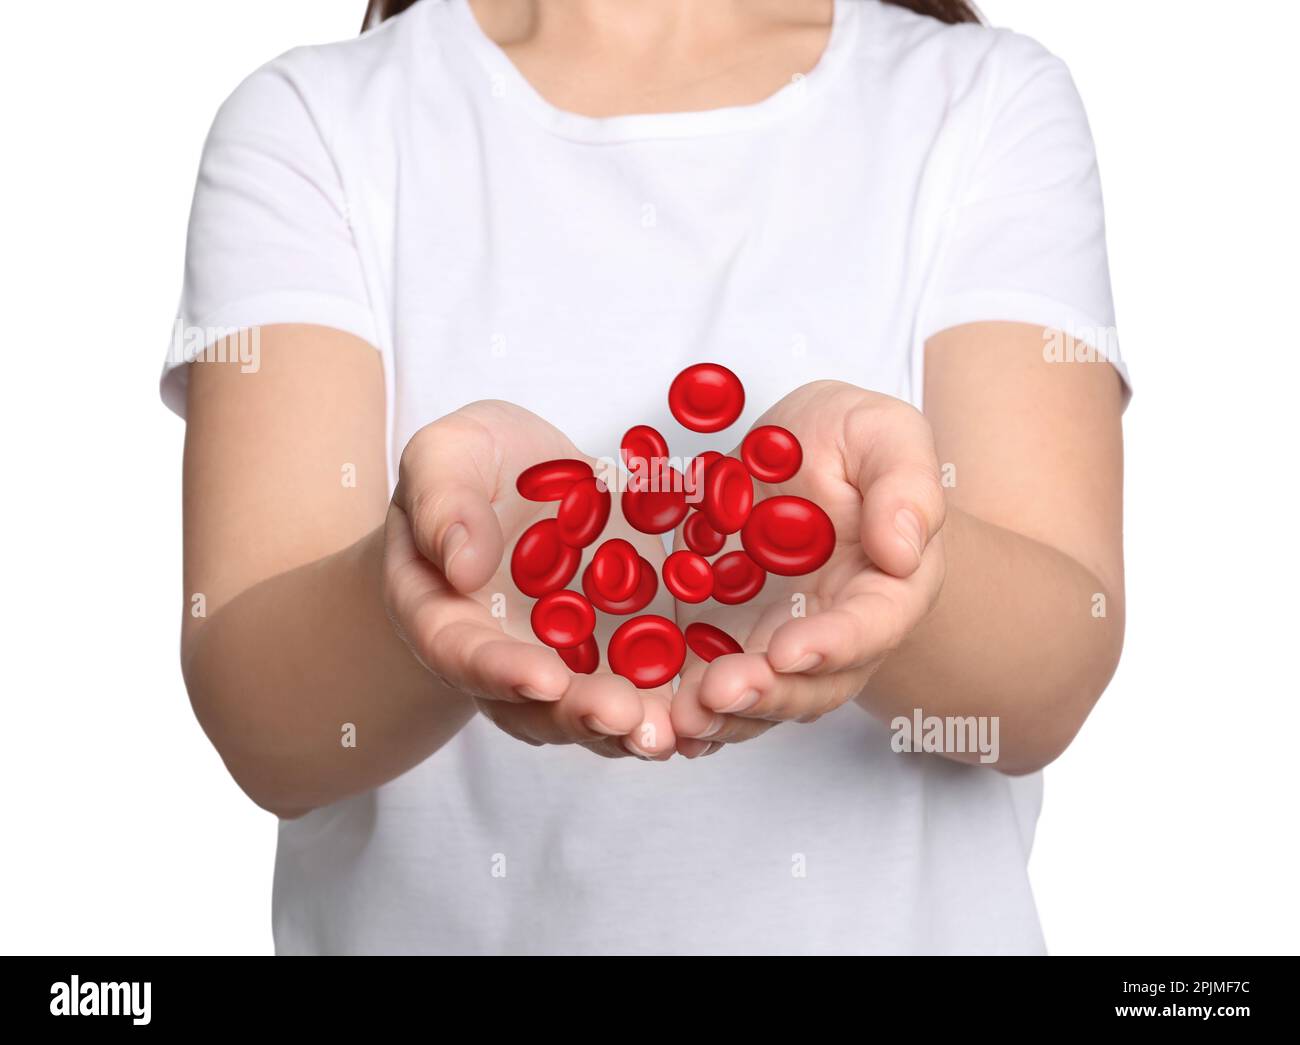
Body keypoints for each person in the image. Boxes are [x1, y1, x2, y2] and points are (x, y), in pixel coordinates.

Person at [163, 0, 1128, 954]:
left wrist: (883, 549)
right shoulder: (316, 123)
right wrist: (414, 581)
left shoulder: (983, 99)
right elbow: (267, 731)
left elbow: (1047, 689)